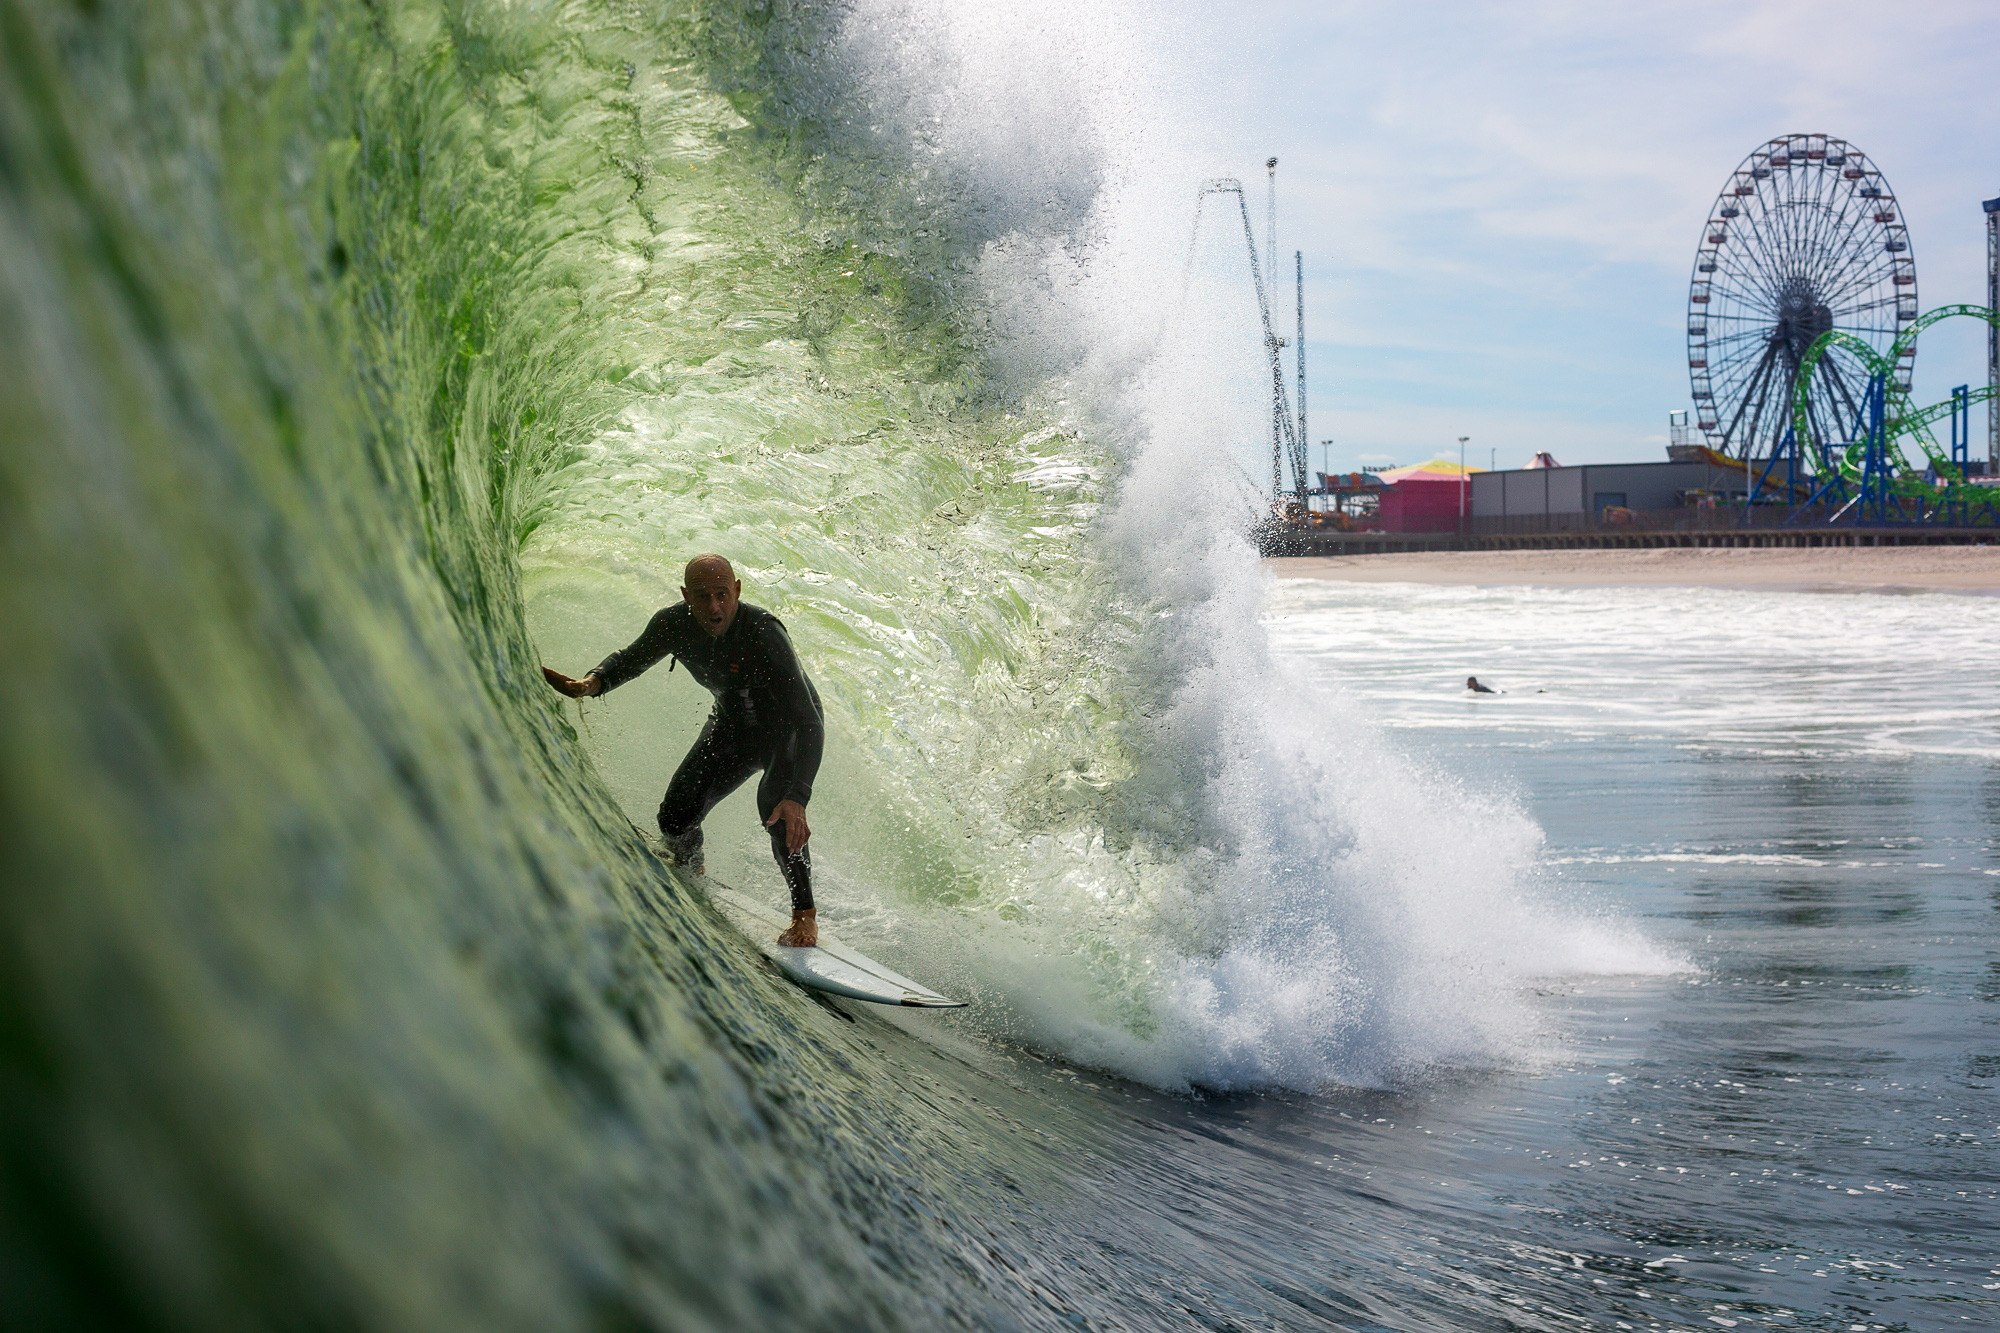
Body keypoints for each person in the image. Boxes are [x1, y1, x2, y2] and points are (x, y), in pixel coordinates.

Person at [543, 554, 825, 947]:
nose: (714, 607)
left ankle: (804, 916)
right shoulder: (673, 624)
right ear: (685, 596)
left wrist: (799, 796)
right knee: (675, 817)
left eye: (722, 595)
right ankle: (692, 873)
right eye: (703, 596)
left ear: (737, 591)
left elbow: (809, 721)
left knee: (777, 810)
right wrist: (592, 683)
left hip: (787, 731)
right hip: (732, 727)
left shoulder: (764, 631)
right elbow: (632, 659)